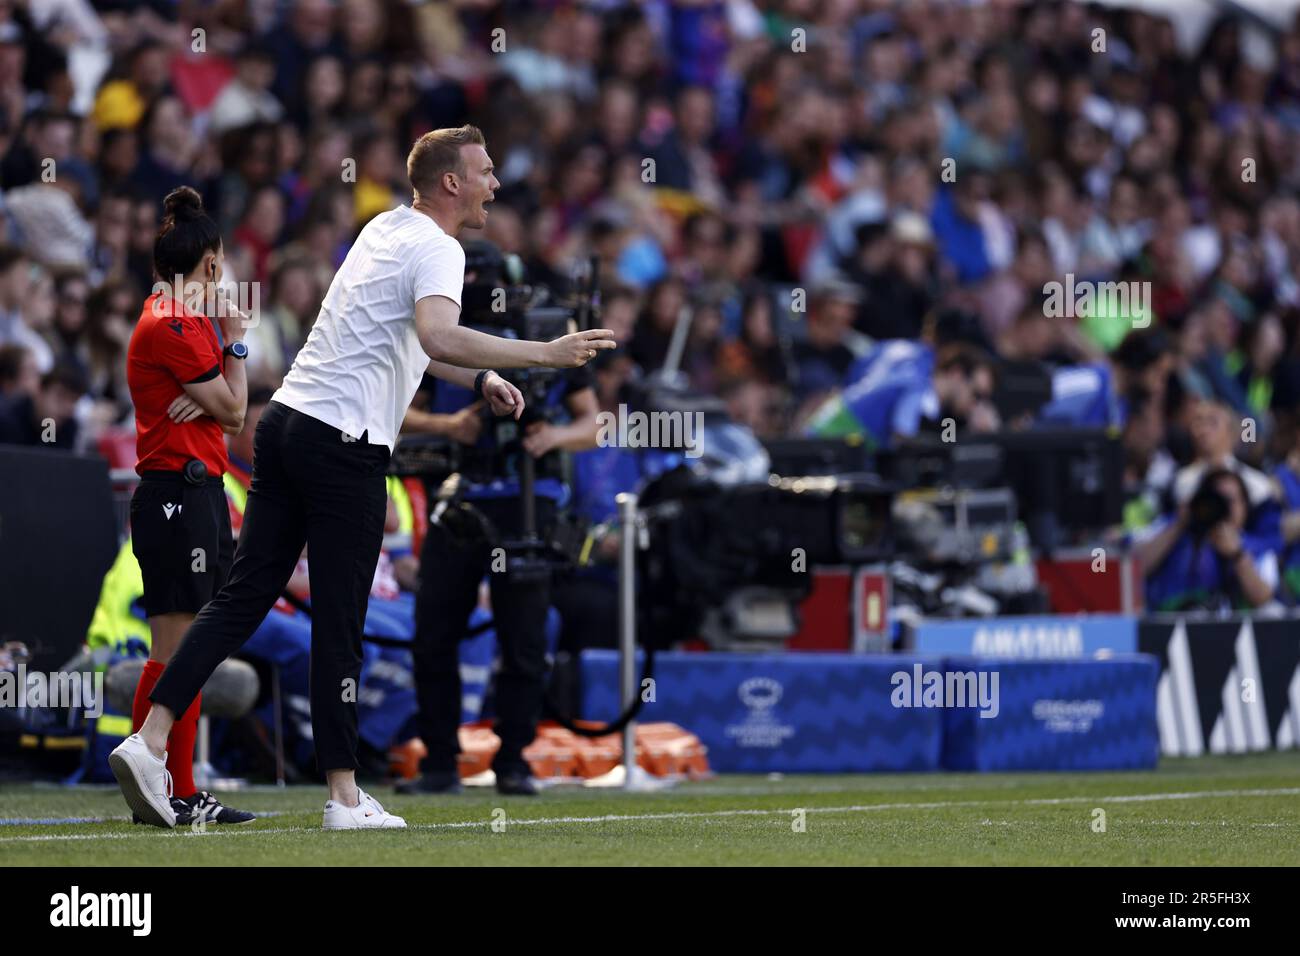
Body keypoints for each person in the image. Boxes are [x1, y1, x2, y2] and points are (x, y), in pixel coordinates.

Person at [109, 125, 616, 830]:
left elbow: (407, 339)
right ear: (451, 183)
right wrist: (546, 353)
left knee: (240, 597)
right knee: (339, 625)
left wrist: (486, 375)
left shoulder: (384, 228)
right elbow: (436, 334)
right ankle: (345, 799)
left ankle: (149, 739)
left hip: (287, 422)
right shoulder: (440, 247)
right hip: (342, 445)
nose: (495, 185)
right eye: (486, 172)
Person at [120, 186, 256, 826]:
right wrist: (236, 344)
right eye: (221, 258)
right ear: (209, 264)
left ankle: (174, 785)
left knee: (188, 645)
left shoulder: (183, 318)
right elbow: (234, 409)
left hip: (196, 489)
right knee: (177, 647)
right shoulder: (175, 323)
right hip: (177, 490)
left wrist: (212, 393)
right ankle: (169, 783)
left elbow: (226, 412)